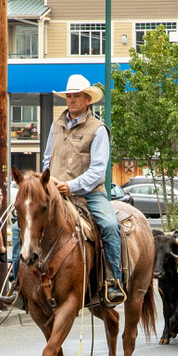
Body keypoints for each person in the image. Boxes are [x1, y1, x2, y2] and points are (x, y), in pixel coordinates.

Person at [42, 74, 125, 306]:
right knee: (23, 224)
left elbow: (98, 170)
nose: (71, 100)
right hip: (56, 192)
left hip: (89, 194)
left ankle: (112, 281)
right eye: (69, 96)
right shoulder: (56, 125)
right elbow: (47, 159)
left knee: (109, 226)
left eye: (76, 96)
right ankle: (16, 281)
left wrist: (72, 186)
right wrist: (49, 183)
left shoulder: (98, 129)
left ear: (88, 99)